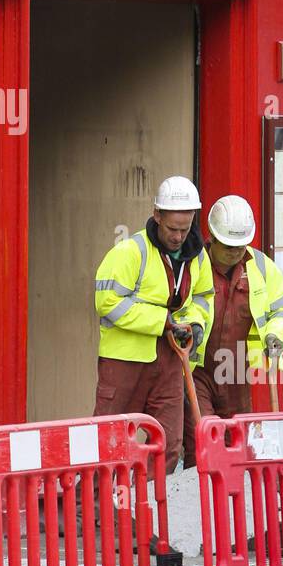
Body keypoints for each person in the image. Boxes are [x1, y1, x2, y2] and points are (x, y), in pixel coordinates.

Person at [94, 176, 213, 473]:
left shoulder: (197, 256)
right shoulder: (129, 252)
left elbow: (203, 297)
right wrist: (163, 321)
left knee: (169, 445)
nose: (178, 237)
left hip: (170, 361)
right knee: (108, 442)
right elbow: (107, 302)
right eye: (172, 229)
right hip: (124, 360)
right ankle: (93, 514)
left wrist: (195, 323)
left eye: (185, 229)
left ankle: (147, 510)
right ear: (157, 215)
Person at [182, 193, 283, 469]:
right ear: (213, 238)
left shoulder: (260, 267)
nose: (235, 252)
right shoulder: (193, 264)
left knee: (241, 444)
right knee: (201, 444)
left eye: (240, 246)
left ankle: (239, 506)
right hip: (197, 371)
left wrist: (276, 334)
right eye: (229, 246)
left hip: (235, 372)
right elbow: (180, 306)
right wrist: (191, 327)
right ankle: (200, 505)